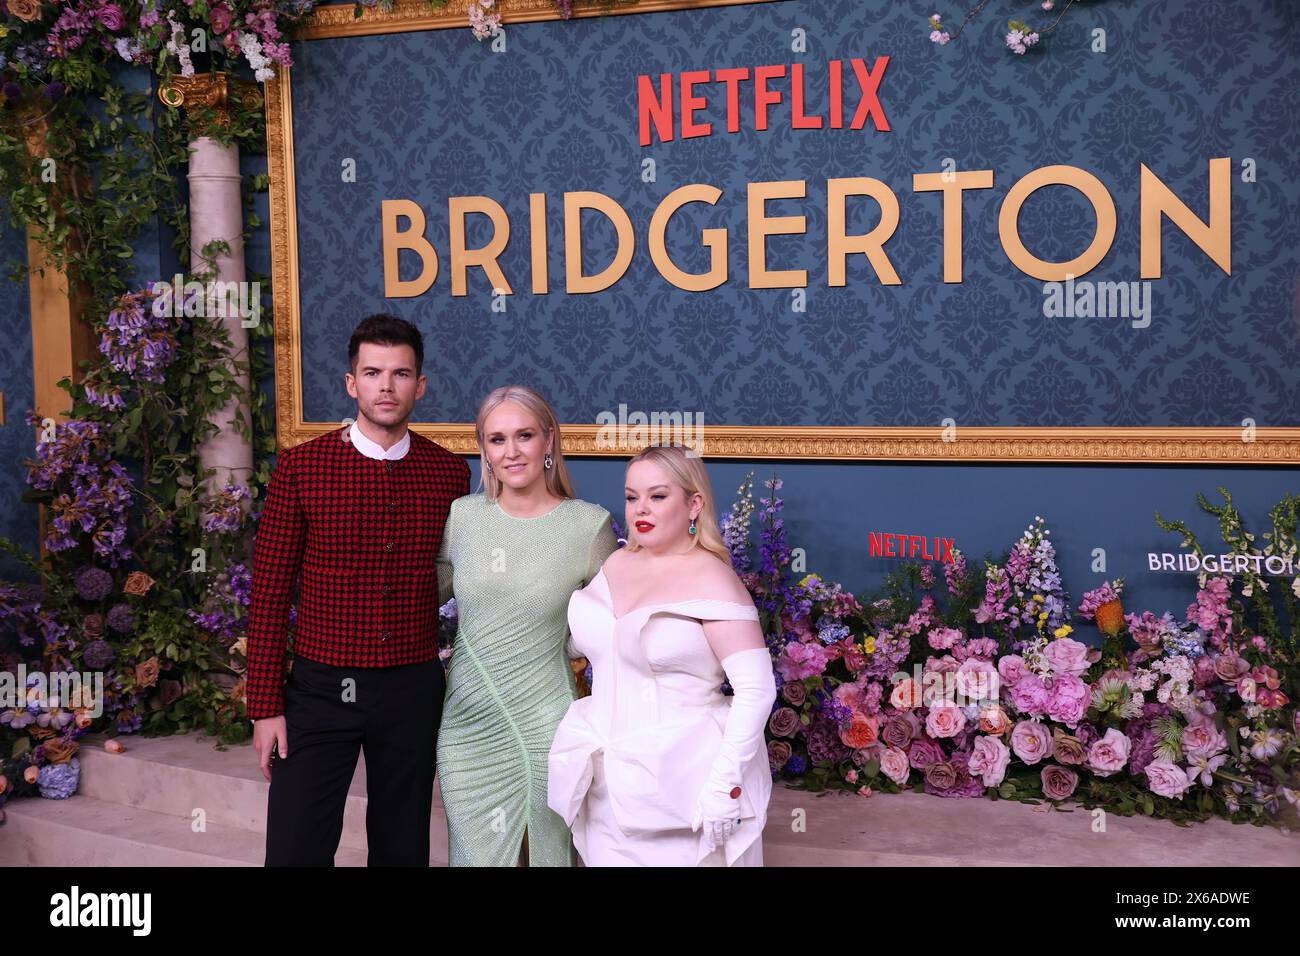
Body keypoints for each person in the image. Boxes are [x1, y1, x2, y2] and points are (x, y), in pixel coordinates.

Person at [247, 314, 469, 866]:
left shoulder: (448, 473)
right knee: (296, 847)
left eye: (400, 374)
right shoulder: (302, 467)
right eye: (372, 373)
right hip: (322, 688)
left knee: (402, 847)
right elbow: (270, 594)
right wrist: (265, 707)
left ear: (421, 385)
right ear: (352, 384)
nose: (386, 386)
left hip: (412, 688)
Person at [548, 444, 776, 866]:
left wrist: (725, 785)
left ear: (694, 504)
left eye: (657, 496)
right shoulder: (616, 563)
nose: (641, 510)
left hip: (686, 786)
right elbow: (592, 644)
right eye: (632, 497)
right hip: (608, 782)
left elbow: (757, 689)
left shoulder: (713, 577)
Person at [435, 385, 618, 866]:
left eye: (524, 436)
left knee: (546, 853)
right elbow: (416, 601)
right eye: (497, 440)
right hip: (465, 724)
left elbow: (617, 630)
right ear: (484, 451)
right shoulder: (462, 517)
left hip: (547, 723)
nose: (511, 451)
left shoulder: (588, 526)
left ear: (549, 441)